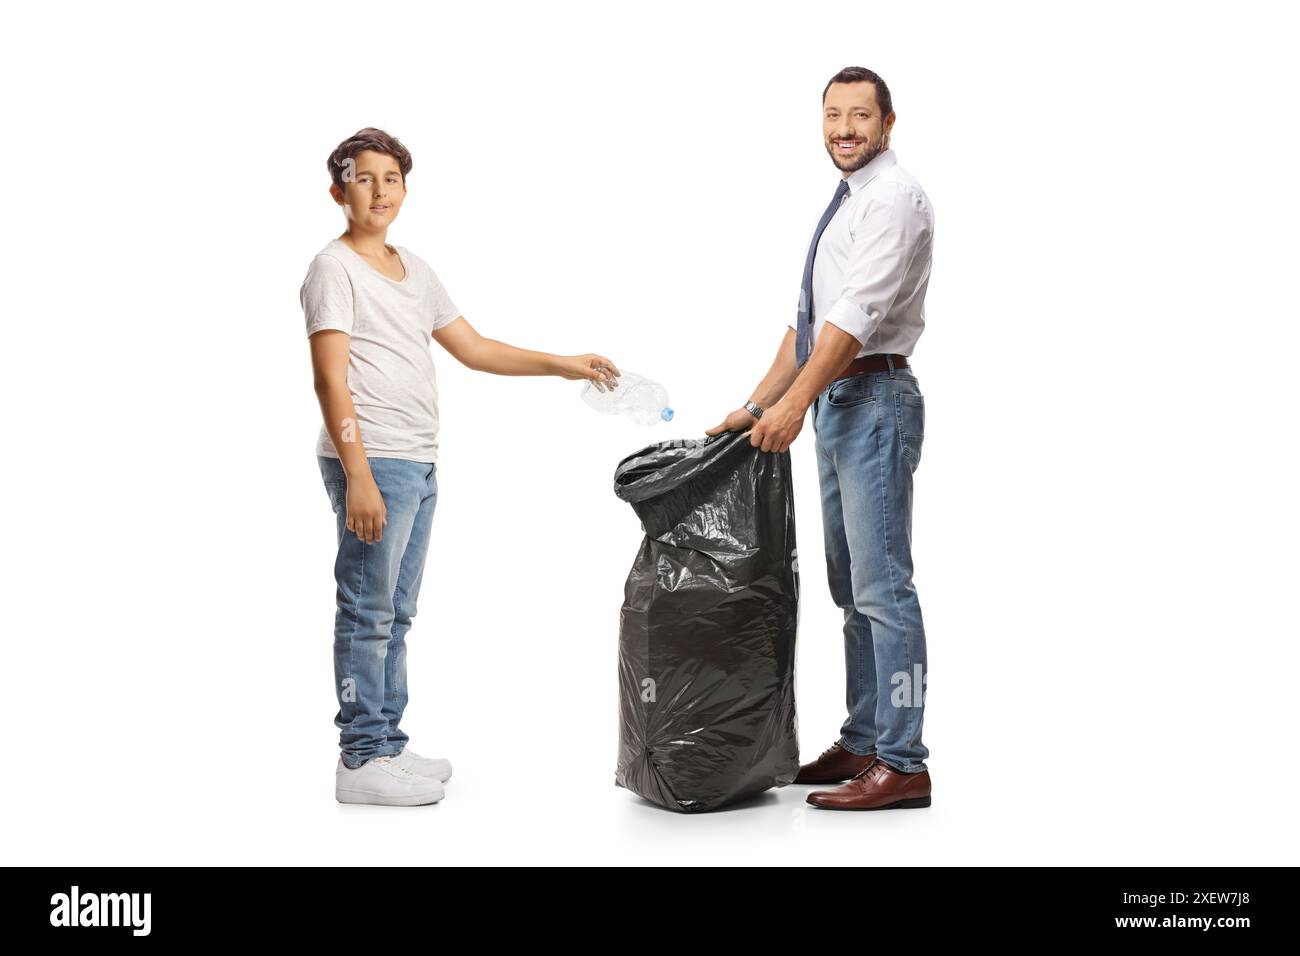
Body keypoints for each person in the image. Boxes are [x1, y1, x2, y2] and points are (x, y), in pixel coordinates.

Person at [302, 128, 620, 806]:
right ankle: (358, 759)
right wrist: (357, 474)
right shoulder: (333, 269)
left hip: (417, 458)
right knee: (367, 611)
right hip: (373, 460)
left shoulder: (413, 268)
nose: (379, 190)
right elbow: (331, 381)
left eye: (391, 178)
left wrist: (563, 364)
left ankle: (386, 742)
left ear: (405, 189)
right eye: (364, 178)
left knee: (398, 611)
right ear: (338, 191)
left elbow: (473, 348)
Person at [706, 67, 934, 810]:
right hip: (840, 399)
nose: (844, 128)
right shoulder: (848, 204)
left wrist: (795, 405)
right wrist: (755, 404)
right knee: (850, 588)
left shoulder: (894, 200)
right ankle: (865, 739)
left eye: (860, 116)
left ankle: (903, 761)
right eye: (833, 115)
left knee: (883, 587)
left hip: (873, 396)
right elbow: (804, 328)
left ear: (888, 123)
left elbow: (855, 319)